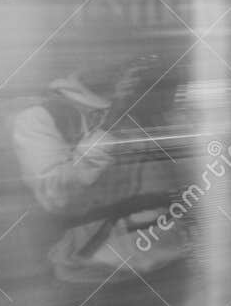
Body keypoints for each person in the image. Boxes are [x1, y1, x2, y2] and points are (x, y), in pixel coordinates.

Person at [12, 56, 189, 282]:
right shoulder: (41, 117)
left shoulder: (147, 106)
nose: (117, 61)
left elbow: (192, 184)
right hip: (92, 276)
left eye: (125, 52)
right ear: (80, 56)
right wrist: (113, 122)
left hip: (171, 266)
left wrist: (166, 114)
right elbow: (57, 197)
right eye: (104, 51)